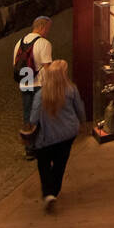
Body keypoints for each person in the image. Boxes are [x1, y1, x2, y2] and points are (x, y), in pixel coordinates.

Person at [29, 60, 85, 212]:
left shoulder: (41, 95)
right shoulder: (71, 90)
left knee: (44, 165)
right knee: (60, 164)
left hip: (46, 137)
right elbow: (79, 110)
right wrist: (82, 123)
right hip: (67, 134)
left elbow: (33, 119)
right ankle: (53, 192)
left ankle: (48, 193)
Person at [13, 16, 53, 158]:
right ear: (42, 27)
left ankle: (29, 147)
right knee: (39, 114)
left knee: (27, 113)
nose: (48, 31)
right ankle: (40, 145)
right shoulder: (44, 43)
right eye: (48, 28)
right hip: (39, 84)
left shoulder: (19, 42)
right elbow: (48, 67)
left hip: (24, 83)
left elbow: (15, 64)